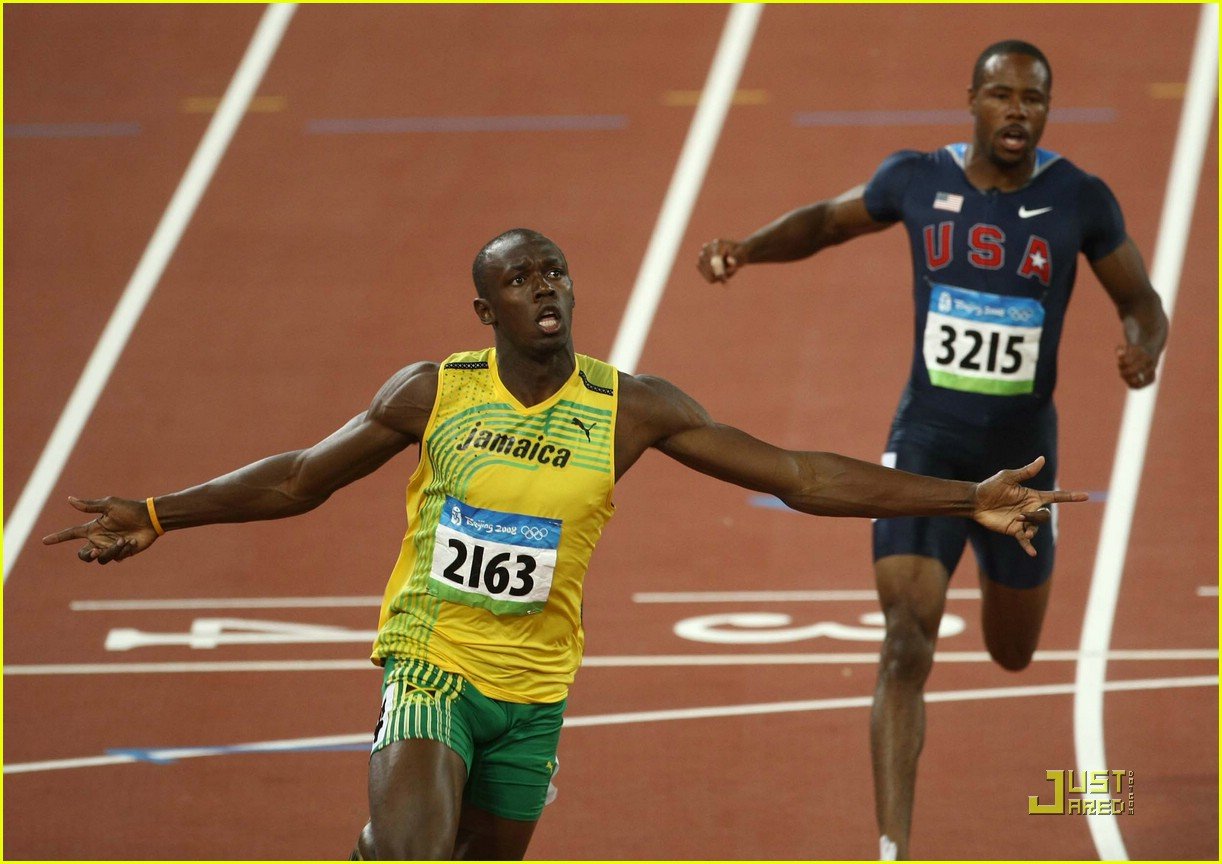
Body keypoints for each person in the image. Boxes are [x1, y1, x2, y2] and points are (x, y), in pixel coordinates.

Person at [45, 228, 1085, 861]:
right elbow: (301, 478)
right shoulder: (434, 391)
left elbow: (798, 474)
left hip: (534, 694)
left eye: (557, 273)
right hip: (434, 663)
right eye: (521, 277)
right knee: (412, 849)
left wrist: (962, 498)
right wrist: (159, 510)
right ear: (484, 306)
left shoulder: (629, 409)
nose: (546, 287)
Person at [696, 40, 1167, 861]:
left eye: (1034, 98)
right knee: (906, 639)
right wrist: (747, 247)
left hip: (1024, 463)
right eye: (1002, 94)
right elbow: (823, 224)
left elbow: (1142, 299)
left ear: (1047, 111)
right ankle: (892, 847)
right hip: (927, 446)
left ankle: (998, 576)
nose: (1018, 110)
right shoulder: (917, 179)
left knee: (1013, 653)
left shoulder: (1079, 199)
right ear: (973, 101)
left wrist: (1144, 346)